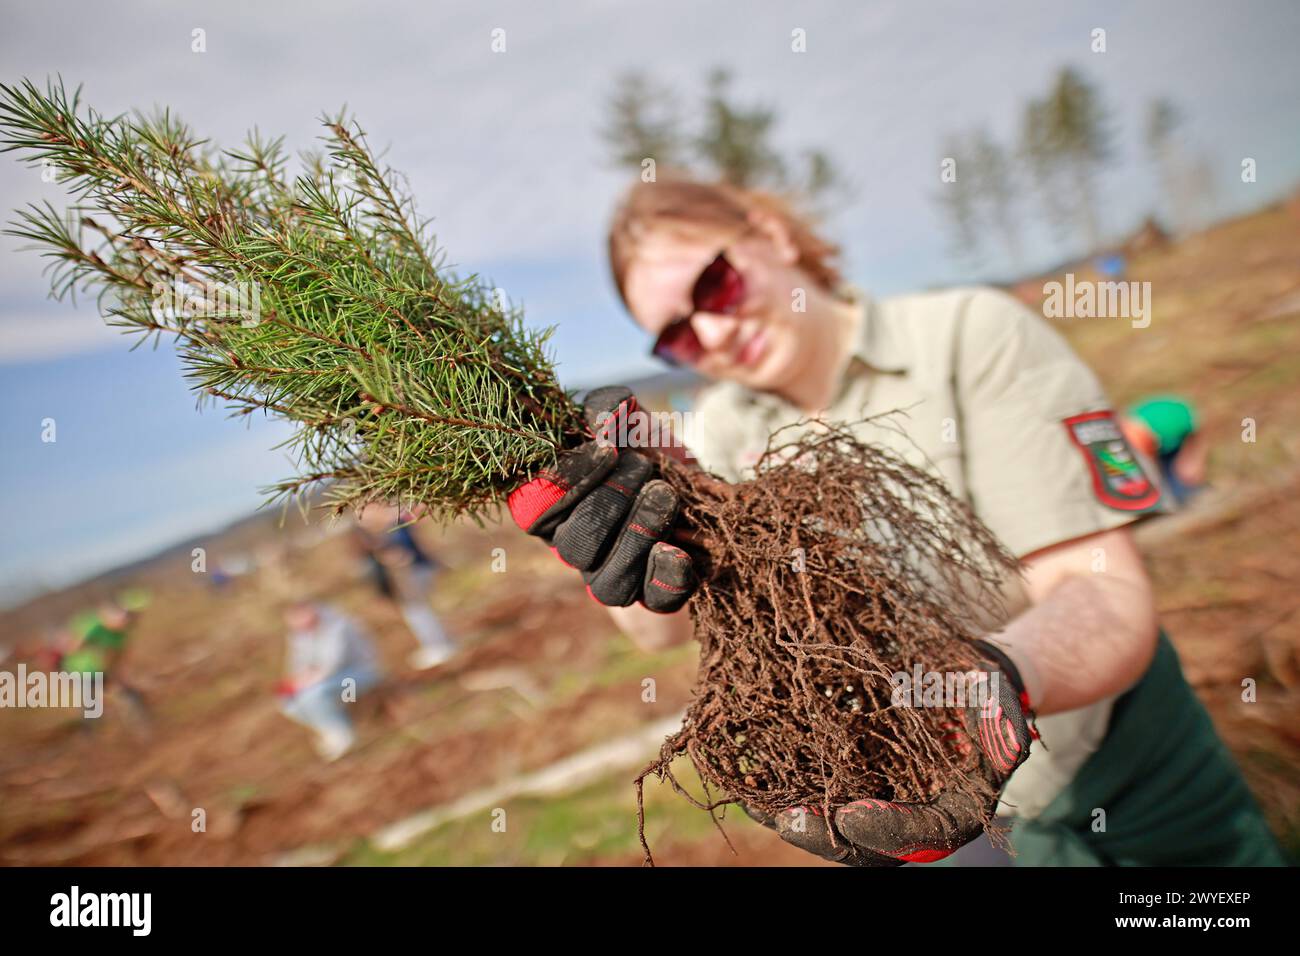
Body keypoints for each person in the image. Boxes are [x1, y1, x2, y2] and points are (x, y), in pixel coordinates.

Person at [507, 176, 1287, 866]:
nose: (708, 334)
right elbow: (659, 631)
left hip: (1127, 765)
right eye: (676, 333)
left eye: (714, 285)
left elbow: (1101, 589)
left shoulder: (966, 337)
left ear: (771, 236)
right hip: (938, 799)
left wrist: (995, 683)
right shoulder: (714, 439)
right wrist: (607, 553)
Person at [352, 503, 458, 670]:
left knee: (418, 612)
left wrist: (392, 557)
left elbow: (403, 554)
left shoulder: (396, 525)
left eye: (364, 515)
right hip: (409, 577)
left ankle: (440, 646)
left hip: (413, 575)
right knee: (418, 612)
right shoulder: (385, 528)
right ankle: (441, 642)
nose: (364, 521)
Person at [277, 601, 382, 761]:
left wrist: (310, 680)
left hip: (357, 676)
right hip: (328, 681)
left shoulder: (338, 625)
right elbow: (297, 665)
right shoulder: (300, 636)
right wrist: (298, 681)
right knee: (288, 703)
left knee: (314, 694)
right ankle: (331, 732)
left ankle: (345, 736)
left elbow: (334, 662)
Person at [1120, 395, 1208, 507]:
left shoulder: (1175, 421)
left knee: (1182, 483)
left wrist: (1193, 460)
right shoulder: (1136, 437)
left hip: (1173, 441)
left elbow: (1195, 435)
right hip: (1158, 446)